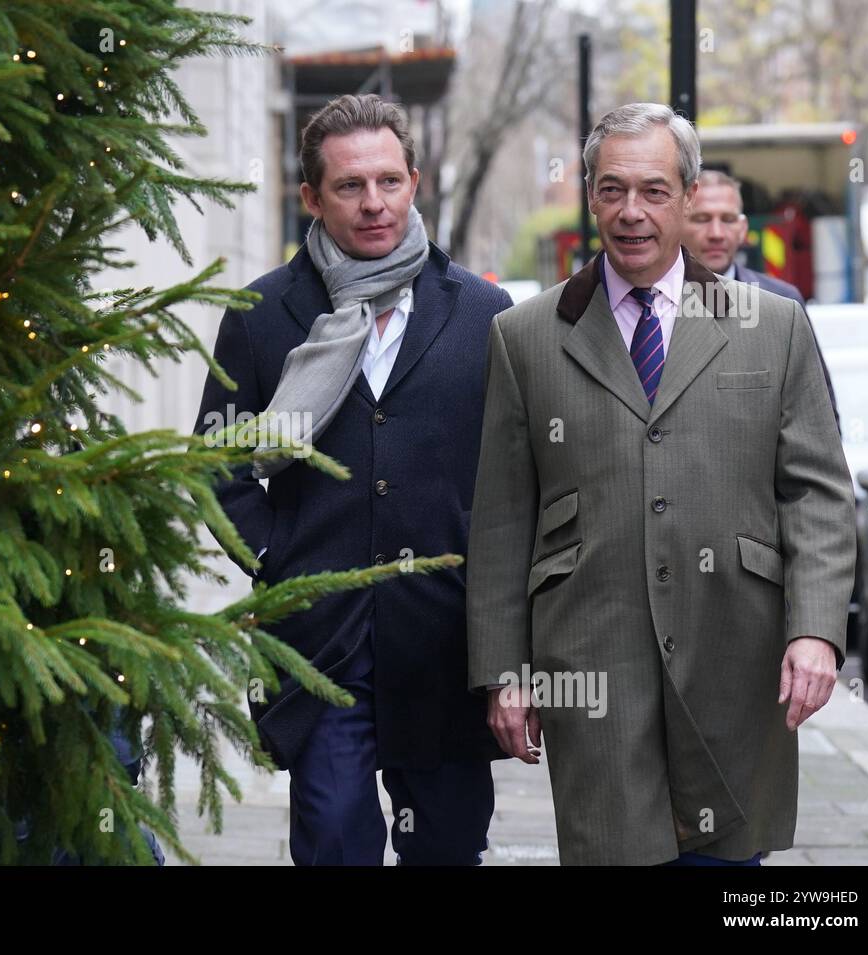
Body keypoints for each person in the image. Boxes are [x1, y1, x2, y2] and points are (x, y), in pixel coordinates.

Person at [466, 102, 856, 866]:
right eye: (612, 190)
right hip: (593, 669)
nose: (632, 213)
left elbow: (816, 491)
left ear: (686, 195)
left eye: (653, 190)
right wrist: (504, 673)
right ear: (589, 198)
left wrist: (816, 630)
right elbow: (503, 519)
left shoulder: (771, 326)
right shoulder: (527, 337)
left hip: (737, 663)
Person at [194, 93, 511, 865]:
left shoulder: (483, 313)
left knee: (448, 844)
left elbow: (517, 477)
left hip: (444, 638)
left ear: (416, 181)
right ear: (310, 196)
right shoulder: (265, 311)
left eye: (388, 182)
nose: (374, 204)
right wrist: (280, 559)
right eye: (348, 186)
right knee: (333, 839)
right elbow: (219, 464)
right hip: (321, 640)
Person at [682, 168, 839, 424]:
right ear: (679, 223)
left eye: (728, 219)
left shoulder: (782, 302)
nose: (716, 233)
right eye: (701, 219)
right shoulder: (655, 299)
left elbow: (819, 411)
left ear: (743, 228)